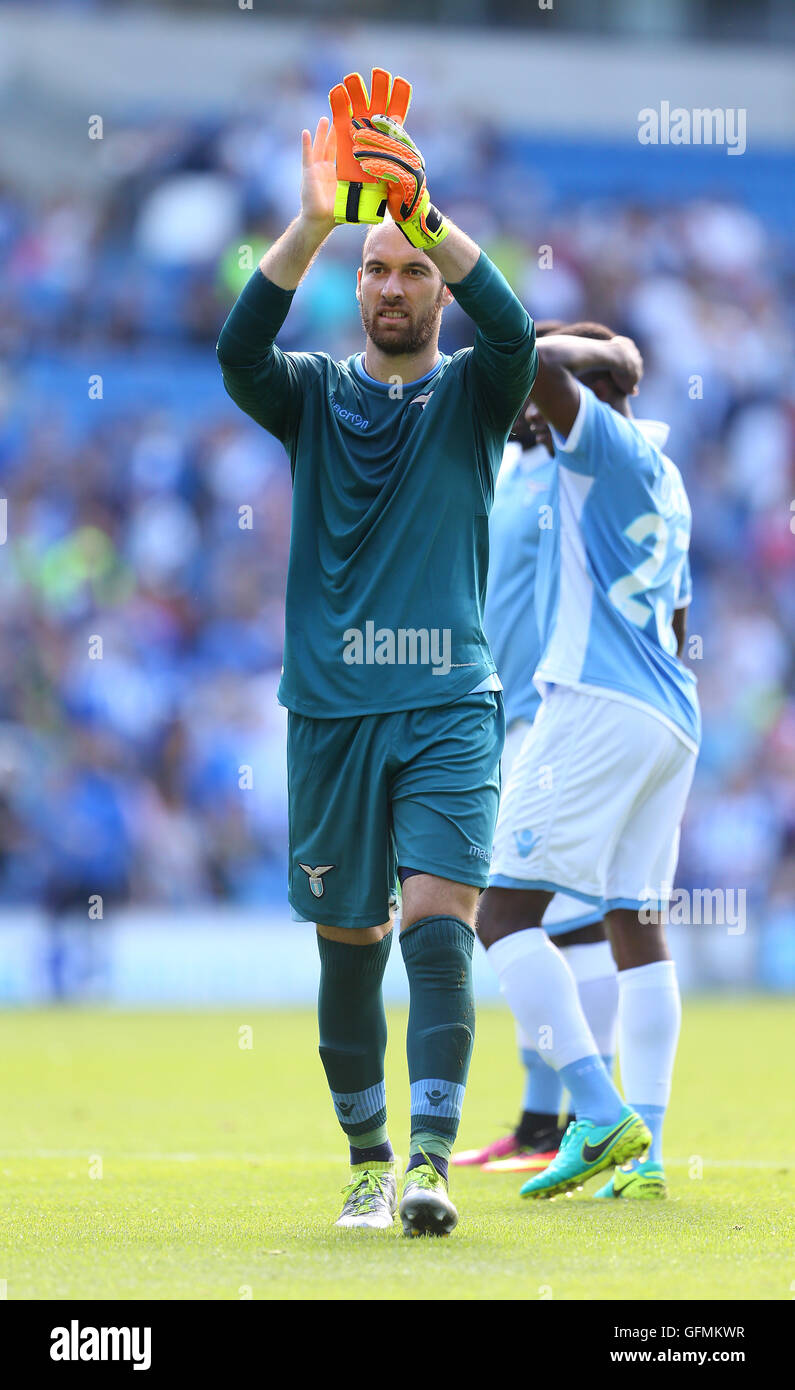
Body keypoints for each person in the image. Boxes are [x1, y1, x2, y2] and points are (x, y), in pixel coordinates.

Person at [216, 112, 537, 1235]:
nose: (393, 285)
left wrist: (427, 214)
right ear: (355, 288)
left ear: (436, 292)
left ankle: (433, 1165)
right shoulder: (309, 392)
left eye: (409, 271)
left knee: (438, 925)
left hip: (450, 699)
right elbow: (236, 356)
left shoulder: (474, 398)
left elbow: (518, 334)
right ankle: (368, 1156)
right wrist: (312, 223)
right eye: (376, 269)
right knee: (348, 948)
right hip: (331, 715)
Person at [478, 323, 699, 1201]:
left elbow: (528, 361)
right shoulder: (668, 475)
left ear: (592, 393)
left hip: (594, 703)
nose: (528, 417)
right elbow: (679, 625)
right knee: (634, 928)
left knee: (501, 912)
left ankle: (595, 1114)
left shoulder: (599, 441)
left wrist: (541, 344)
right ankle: (645, 1158)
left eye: (543, 406)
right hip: (668, 713)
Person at [454, 327, 619, 1176]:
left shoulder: (575, 467)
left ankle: (589, 1116)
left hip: (554, 714)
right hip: (504, 713)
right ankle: (541, 1121)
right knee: (533, 917)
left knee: (556, 915)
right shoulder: (516, 467)